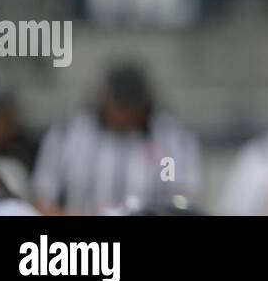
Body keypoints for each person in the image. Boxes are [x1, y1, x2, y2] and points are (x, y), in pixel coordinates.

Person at [32, 61, 201, 214]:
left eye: (131, 107)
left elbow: (183, 199)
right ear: (105, 99)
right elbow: (43, 201)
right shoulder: (67, 134)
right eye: (119, 106)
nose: (124, 115)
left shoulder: (172, 139)